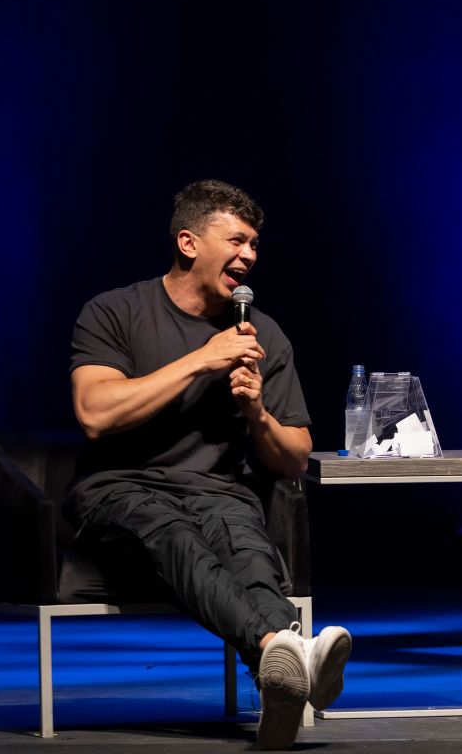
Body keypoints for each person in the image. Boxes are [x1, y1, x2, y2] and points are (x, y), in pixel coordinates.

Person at [67, 179, 351, 750]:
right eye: (236, 241)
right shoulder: (115, 311)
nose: (249, 256)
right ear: (189, 242)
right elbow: (95, 413)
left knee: (249, 554)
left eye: (254, 245)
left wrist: (257, 413)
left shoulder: (261, 333)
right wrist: (202, 360)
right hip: (121, 490)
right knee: (176, 537)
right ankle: (284, 651)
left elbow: (294, 457)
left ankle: (280, 674)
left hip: (220, 492)